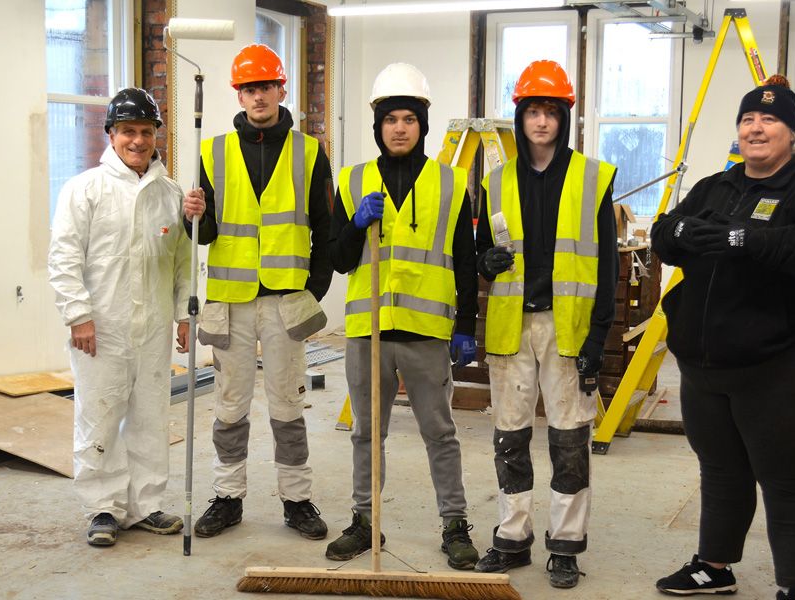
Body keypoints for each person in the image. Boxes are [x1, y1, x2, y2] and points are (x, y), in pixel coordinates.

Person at [650, 75, 795, 600]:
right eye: (747, 119)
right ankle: (714, 567)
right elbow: (664, 234)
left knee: (788, 477)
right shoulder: (716, 187)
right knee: (721, 470)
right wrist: (682, 231)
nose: (756, 128)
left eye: (769, 119)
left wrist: (745, 239)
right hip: (708, 364)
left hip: (783, 363)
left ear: (791, 132)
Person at [326, 62, 480, 570]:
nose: (399, 128)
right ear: (378, 125)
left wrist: (465, 326)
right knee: (367, 434)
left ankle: (454, 524)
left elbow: (466, 260)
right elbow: (338, 259)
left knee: (440, 432)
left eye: (409, 119)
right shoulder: (353, 181)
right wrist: (355, 223)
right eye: (390, 119)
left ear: (422, 124)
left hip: (426, 333)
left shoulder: (452, 183)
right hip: (367, 331)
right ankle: (364, 520)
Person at [473, 60, 618, 589]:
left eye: (550, 112)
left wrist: (599, 335)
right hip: (512, 325)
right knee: (510, 438)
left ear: (564, 118)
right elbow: (482, 252)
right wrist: (486, 261)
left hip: (568, 327)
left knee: (569, 439)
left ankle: (565, 545)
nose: (540, 121)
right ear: (520, 117)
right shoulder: (495, 181)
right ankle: (512, 538)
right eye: (532, 111)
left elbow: (608, 265)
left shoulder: (592, 178)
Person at [182, 44, 333, 540]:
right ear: (239, 95)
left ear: (280, 89)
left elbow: (325, 227)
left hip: (286, 300)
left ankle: (296, 499)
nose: (258, 96)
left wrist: (314, 291)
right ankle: (227, 497)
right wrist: (191, 215)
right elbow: (203, 235)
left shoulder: (309, 152)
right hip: (231, 301)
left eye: (266, 86)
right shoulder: (213, 151)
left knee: (288, 404)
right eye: (249, 89)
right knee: (230, 406)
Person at [49, 88, 191, 547]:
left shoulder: (170, 193)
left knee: (151, 418)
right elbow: (64, 257)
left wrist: (184, 314)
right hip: (101, 328)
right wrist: (78, 315)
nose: (138, 140)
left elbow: (183, 261)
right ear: (111, 134)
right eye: (128, 131)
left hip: (152, 327)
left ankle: (146, 505)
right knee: (100, 416)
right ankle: (103, 508)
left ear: (155, 136)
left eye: (146, 132)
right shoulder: (85, 189)